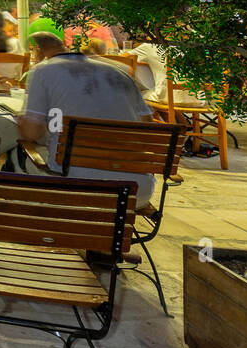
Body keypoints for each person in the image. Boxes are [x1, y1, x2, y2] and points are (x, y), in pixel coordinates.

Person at [19, 22, 157, 209]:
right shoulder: (120, 72)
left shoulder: (43, 71)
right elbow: (146, 125)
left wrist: (28, 121)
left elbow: (30, 133)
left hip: (76, 185)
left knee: (20, 154)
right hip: (136, 190)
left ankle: (35, 223)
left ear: (39, 53)